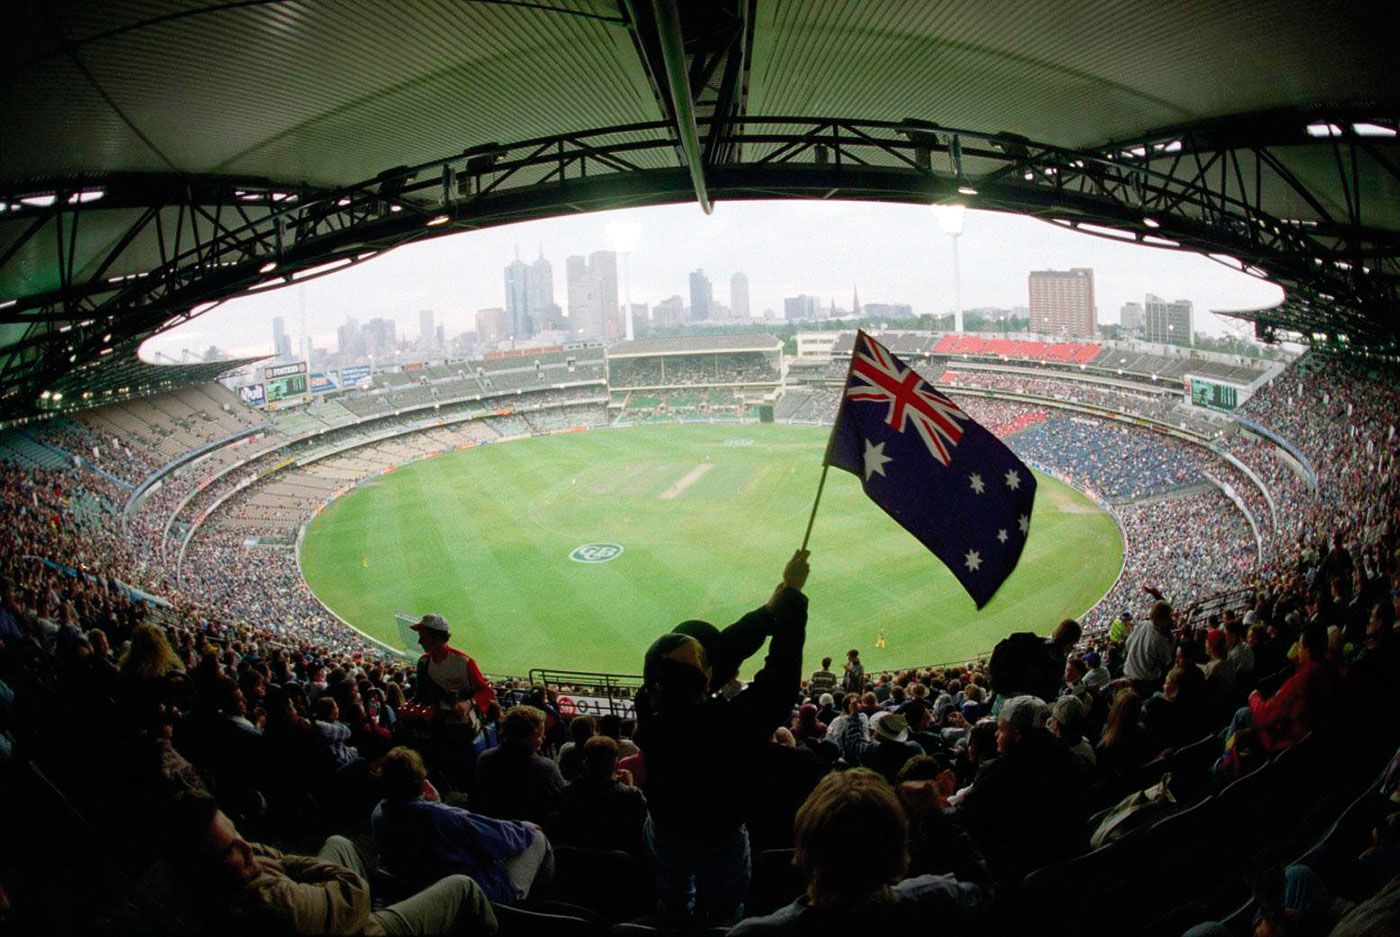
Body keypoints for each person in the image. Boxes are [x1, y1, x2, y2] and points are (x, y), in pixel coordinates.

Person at [635, 549, 810, 926]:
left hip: (664, 826)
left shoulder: (648, 708)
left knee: (673, 901)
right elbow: (779, 680)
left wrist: (769, 611)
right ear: (708, 681)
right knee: (724, 909)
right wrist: (792, 599)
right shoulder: (729, 725)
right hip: (720, 836)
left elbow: (717, 655)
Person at [171, 792, 497, 934]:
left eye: (237, 832)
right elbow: (354, 890)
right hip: (360, 928)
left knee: (338, 842)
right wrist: (341, 893)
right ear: (206, 864)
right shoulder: (272, 903)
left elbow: (280, 857)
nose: (247, 847)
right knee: (462, 887)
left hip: (323, 909)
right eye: (231, 846)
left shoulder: (231, 868)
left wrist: (289, 866)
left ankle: (368, 903)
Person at [729, 770, 989, 935]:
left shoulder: (755, 932)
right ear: (898, 848)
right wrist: (936, 816)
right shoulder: (935, 899)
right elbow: (981, 885)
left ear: (804, 846)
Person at [371, 746, 553, 906]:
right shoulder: (440, 816)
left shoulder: (379, 812)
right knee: (537, 838)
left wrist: (436, 803)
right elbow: (498, 837)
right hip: (477, 898)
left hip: (418, 888)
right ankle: (530, 908)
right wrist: (526, 827)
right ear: (420, 782)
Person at [474, 704, 565, 824]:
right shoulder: (546, 769)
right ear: (528, 737)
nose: (543, 738)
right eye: (540, 735)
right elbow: (562, 802)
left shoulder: (485, 758)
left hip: (492, 827)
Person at [1124, 600, 1176, 692]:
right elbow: (1167, 660)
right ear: (1163, 618)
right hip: (1145, 683)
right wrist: (1170, 637)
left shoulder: (1143, 624)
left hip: (1128, 672)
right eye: (1169, 616)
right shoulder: (1161, 639)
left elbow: (1128, 644)